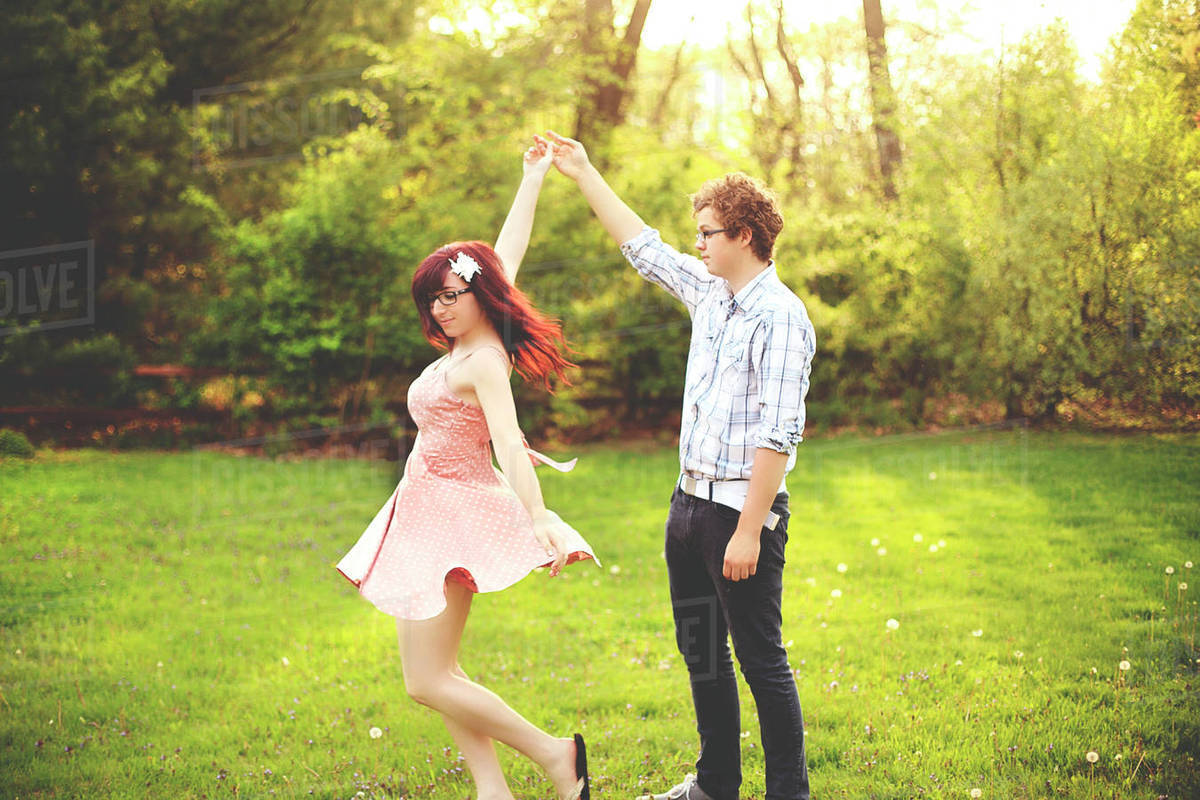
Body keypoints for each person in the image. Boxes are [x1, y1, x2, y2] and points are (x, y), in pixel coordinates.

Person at [543, 130, 815, 800]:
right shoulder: (710, 292)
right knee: (701, 649)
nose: (698, 244)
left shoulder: (781, 318)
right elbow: (643, 249)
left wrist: (751, 529)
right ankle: (716, 783)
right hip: (688, 508)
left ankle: (790, 793)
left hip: (739, 514)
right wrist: (583, 173)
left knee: (760, 659)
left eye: (708, 233)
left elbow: (779, 436)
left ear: (745, 235)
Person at [336, 139, 596, 800]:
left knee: (425, 680)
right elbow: (506, 254)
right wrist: (532, 177)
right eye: (434, 301)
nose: (442, 309)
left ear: (478, 297)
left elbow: (509, 442)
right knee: (439, 669)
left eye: (453, 296)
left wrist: (537, 516)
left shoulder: (482, 360)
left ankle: (556, 756)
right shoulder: (468, 336)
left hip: (456, 514)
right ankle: (493, 790)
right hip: (422, 510)